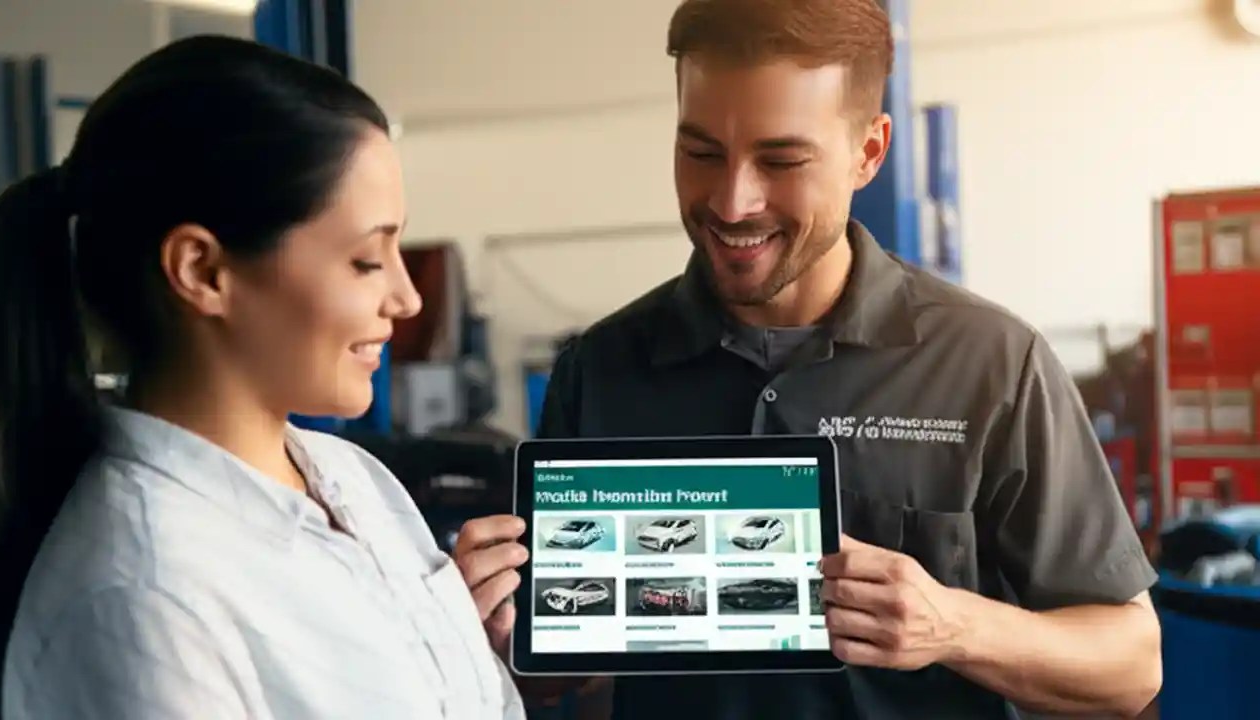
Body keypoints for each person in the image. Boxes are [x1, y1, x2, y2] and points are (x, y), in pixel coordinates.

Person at [453, 0, 1162, 718]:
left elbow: (1132, 666)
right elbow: (556, 672)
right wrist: (500, 641)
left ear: (869, 153)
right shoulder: (600, 370)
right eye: (701, 153)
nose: (732, 201)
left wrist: (953, 625)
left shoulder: (992, 365)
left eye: (781, 160)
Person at [0, 35, 525, 720]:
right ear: (203, 271)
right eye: (366, 259)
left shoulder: (352, 479)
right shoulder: (144, 596)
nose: (408, 299)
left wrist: (463, 656)